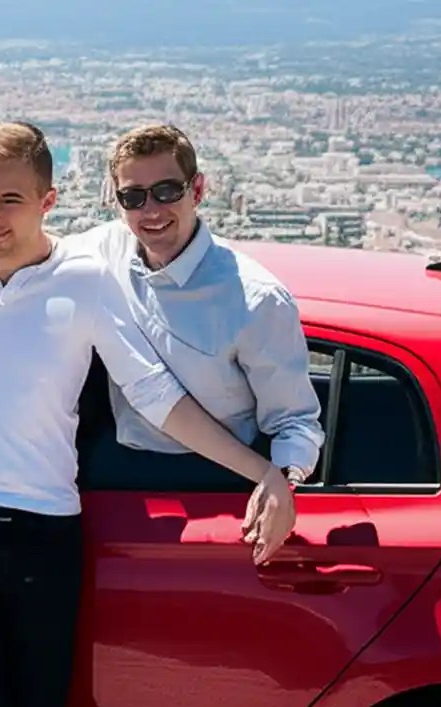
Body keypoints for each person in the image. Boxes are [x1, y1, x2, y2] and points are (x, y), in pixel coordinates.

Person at [0, 121, 296, 707]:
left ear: (47, 202)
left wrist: (265, 471)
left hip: (45, 531)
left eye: (9, 201)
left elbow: (155, 395)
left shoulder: (87, 280)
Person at [78, 123, 324, 537]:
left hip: (218, 475)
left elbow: (297, 421)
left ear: (197, 190)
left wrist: (281, 481)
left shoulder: (255, 299)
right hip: (118, 469)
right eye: (133, 197)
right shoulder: (105, 252)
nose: (151, 211)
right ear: (116, 201)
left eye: (167, 191)